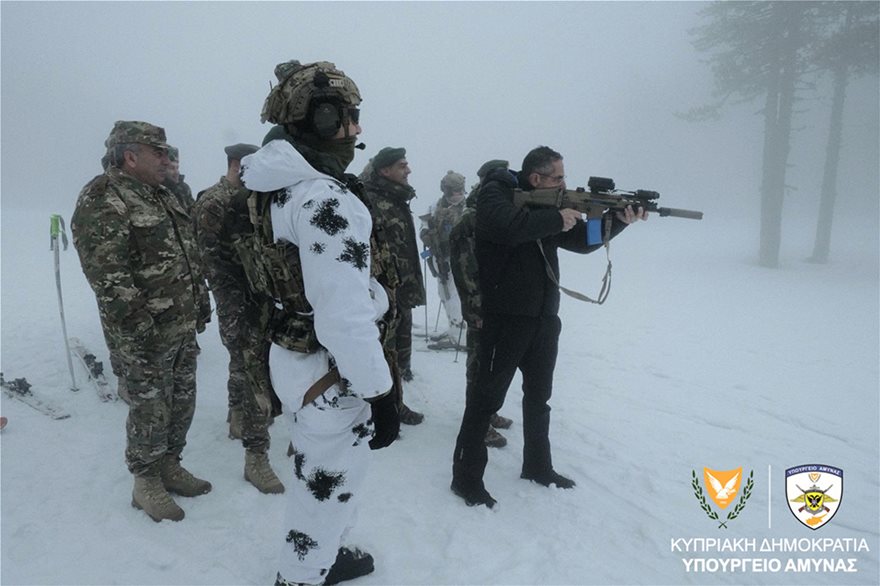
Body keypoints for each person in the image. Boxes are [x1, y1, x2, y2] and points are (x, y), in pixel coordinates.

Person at [240, 60, 400, 586]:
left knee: (322, 471)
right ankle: (303, 574)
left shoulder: (274, 185)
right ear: (324, 118)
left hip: (294, 354)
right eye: (348, 117)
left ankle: (321, 556)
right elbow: (343, 315)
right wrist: (380, 391)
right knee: (326, 484)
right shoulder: (325, 198)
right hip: (329, 368)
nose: (356, 130)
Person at [450, 146, 647, 508]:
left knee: (539, 399)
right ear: (536, 178)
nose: (563, 183)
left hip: (542, 319)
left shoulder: (545, 208)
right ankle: (465, 479)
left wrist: (618, 220)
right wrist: (559, 217)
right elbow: (507, 228)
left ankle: (538, 467)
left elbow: (580, 242)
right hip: (504, 319)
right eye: (557, 177)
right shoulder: (495, 194)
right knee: (484, 401)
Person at [71, 121, 213, 522]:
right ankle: (146, 480)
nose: (167, 160)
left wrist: (199, 301)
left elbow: (187, 254)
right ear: (130, 156)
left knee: (181, 400)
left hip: (180, 325)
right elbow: (106, 272)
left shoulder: (161, 195)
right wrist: (138, 326)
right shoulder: (104, 196)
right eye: (159, 153)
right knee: (150, 407)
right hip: (143, 332)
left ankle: (170, 463)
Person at [191, 142, 284, 494]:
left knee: (246, 365)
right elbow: (208, 257)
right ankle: (252, 447)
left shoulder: (255, 198)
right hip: (234, 296)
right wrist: (233, 296)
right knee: (248, 365)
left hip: (259, 296)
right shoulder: (214, 201)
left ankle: (238, 416)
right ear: (237, 164)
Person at [448, 160, 514, 449]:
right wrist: (474, 310)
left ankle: (489, 412)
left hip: (500, 303)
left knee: (494, 364)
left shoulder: (497, 212)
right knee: (478, 365)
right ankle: (478, 423)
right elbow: (463, 268)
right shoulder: (471, 218)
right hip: (482, 307)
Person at [362, 147, 426, 425]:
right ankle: (382, 412)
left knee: (398, 351)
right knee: (383, 352)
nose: (408, 170)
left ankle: (395, 404)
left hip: (401, 291)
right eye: (402, 166)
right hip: (383, 294)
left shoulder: (395, 199)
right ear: (384, 171)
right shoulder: (372, 201)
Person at [420, 170, 467, 351]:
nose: (457, 195)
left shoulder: (467, 207)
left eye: (459, 190)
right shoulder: (436, 206)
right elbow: (424, 223)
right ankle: (453, 329)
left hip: (461, 259)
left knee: (455, 296)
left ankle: (461, 336)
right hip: (441, 257)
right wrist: (425, 233)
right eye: (452, 191)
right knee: (444, 294)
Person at [163, 146, 196, 212]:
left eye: (177, 168)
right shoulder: (158, 190)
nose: (176, 172)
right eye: (172, 168)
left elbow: (194, 212)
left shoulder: (184, 189)